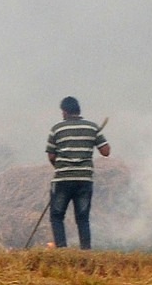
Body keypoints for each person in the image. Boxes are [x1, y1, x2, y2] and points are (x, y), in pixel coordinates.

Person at [44, 96, 111, 249]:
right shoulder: (92, 127)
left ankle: (62, 250)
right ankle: (85, 251)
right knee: (82, 218)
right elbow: (106, 152)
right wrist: (94, 139)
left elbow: (51, 155)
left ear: (65, 111)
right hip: (84, 180)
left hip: (62, 179)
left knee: (57, 216)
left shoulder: (57, 129)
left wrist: (59, 167)